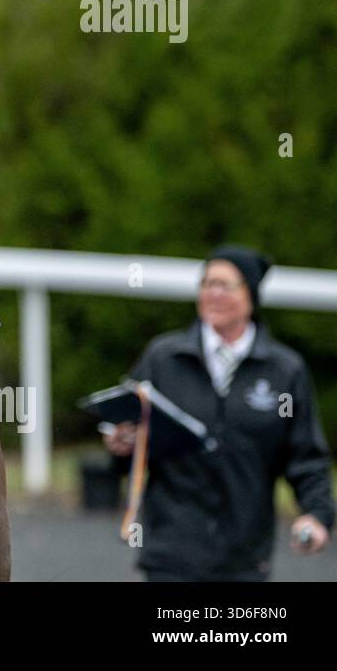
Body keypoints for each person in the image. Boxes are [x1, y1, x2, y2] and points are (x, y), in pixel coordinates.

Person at [104, 244, 333, 581]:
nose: (214, 293)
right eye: (207, 284)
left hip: (244, 556)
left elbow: (305, 456)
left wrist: (316, 514)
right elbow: (131, 444)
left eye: (225, 285)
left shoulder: (284, 371)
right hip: (171, 552)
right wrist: (122, 446)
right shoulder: (164, 358)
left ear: (251, 295)